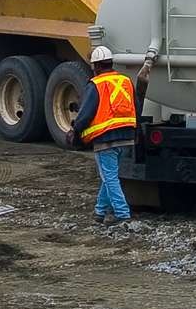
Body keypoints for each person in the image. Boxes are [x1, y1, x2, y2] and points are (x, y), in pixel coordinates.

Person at [62, 45, 154, 226]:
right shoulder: (125, 81)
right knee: (109, 176)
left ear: (96, 66)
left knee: (110, 178)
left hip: (106, 140)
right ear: (111, 63)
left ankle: (123, 215)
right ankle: (99, 211)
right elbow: (137, 106)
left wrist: (75, 130)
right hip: (127, 137)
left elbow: (86, 113)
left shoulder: (96, 84)